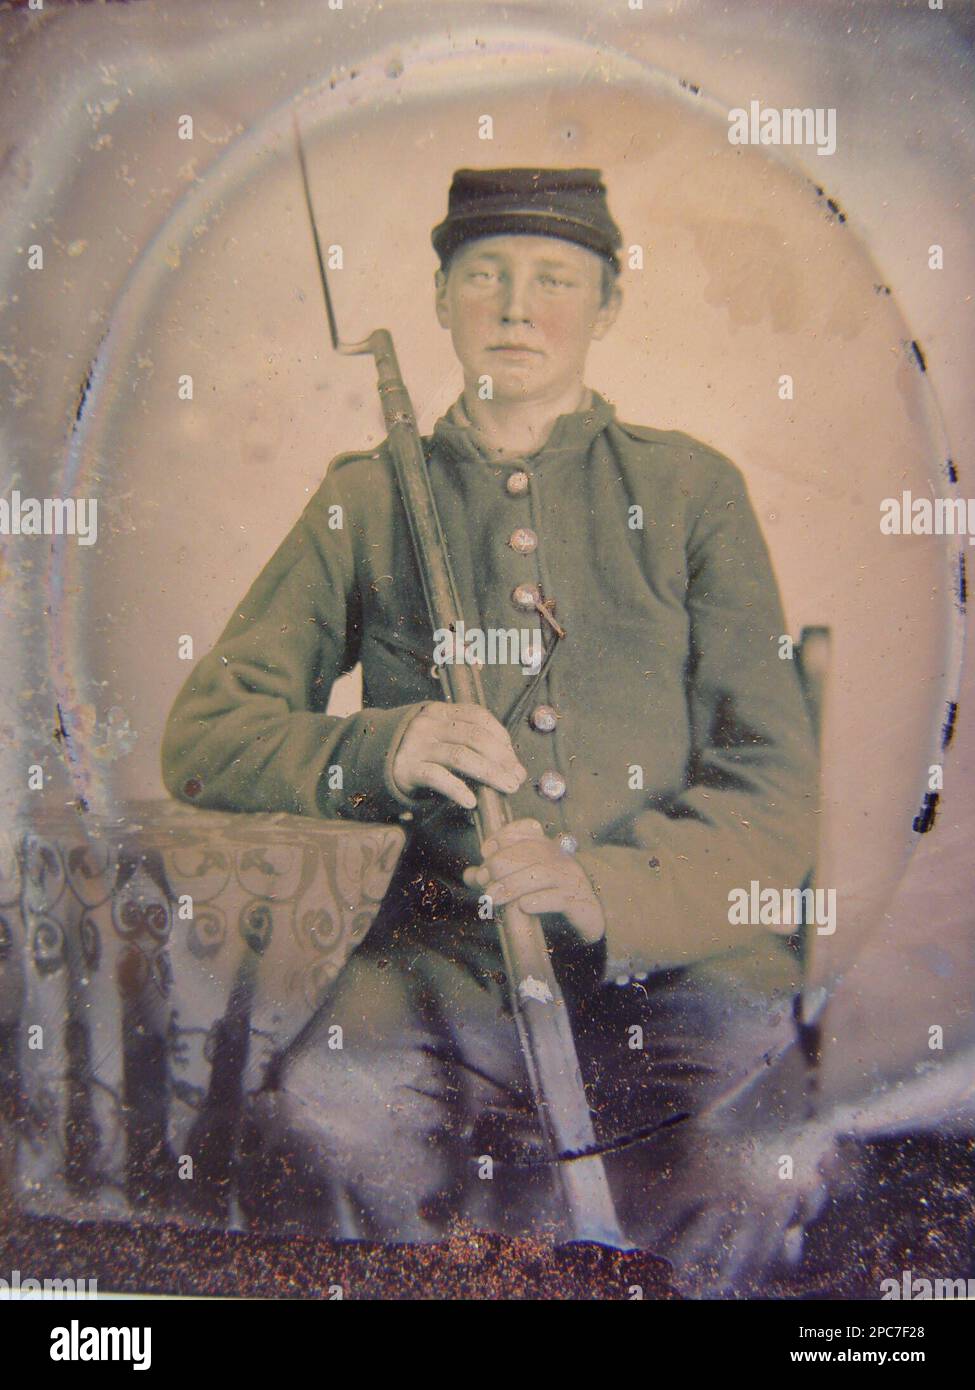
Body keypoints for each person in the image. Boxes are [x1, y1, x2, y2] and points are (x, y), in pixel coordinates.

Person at [161, 167, 819, 1282]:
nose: (517, 307)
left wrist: (608, 888)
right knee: (320, 1114)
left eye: (555, 279)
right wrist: (378, 746)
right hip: (446, 963)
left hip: (684, 962)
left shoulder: (693, 490)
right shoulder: (366, 497)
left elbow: (778, 789)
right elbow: (207, 730)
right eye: (486, 276)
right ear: (440, 301)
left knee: (756, 1158)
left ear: (607, 308)